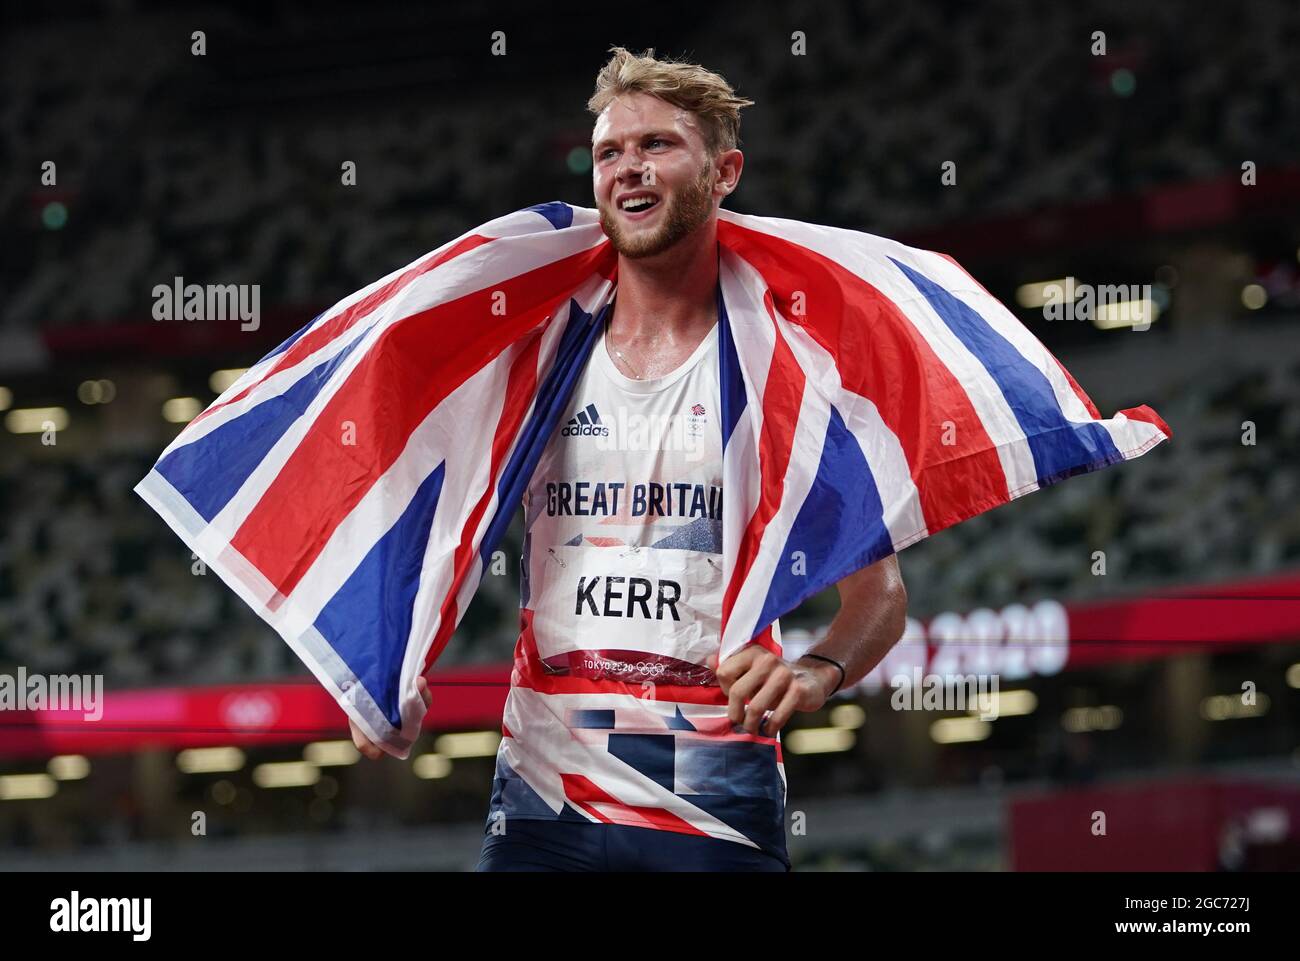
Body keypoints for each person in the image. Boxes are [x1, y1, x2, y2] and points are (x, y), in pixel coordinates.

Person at [350, 47, 909, 872]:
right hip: (545, 802)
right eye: (610, 151)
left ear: (725, 172)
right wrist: (385, 653)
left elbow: (881, 594)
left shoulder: (783, 371)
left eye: (656, 145)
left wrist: (820, 671)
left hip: (714, 804)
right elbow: (421, 494)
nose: (627, 168)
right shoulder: (542, 352)